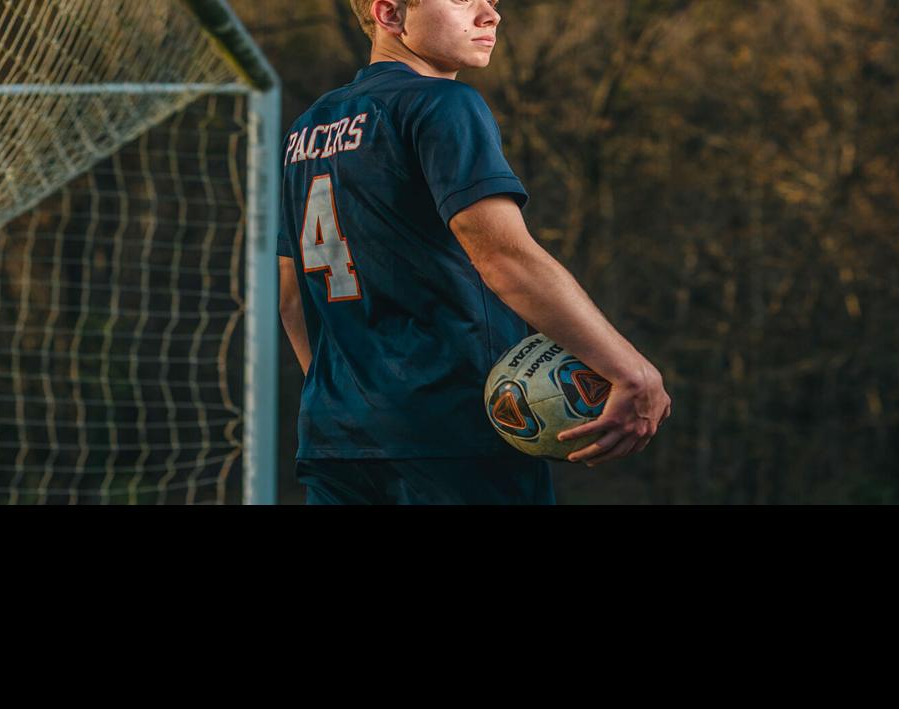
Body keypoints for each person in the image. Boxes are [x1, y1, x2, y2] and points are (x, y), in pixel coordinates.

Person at [277, 0, 671, 505]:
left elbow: (292, 303)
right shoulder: (442, 103)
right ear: (390, 14)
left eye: (493, 1)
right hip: (452, 434)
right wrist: (632, 372)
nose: (490, 15)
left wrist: (356, 400)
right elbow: (504, 257)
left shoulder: (305, 130)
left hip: (338, 441)